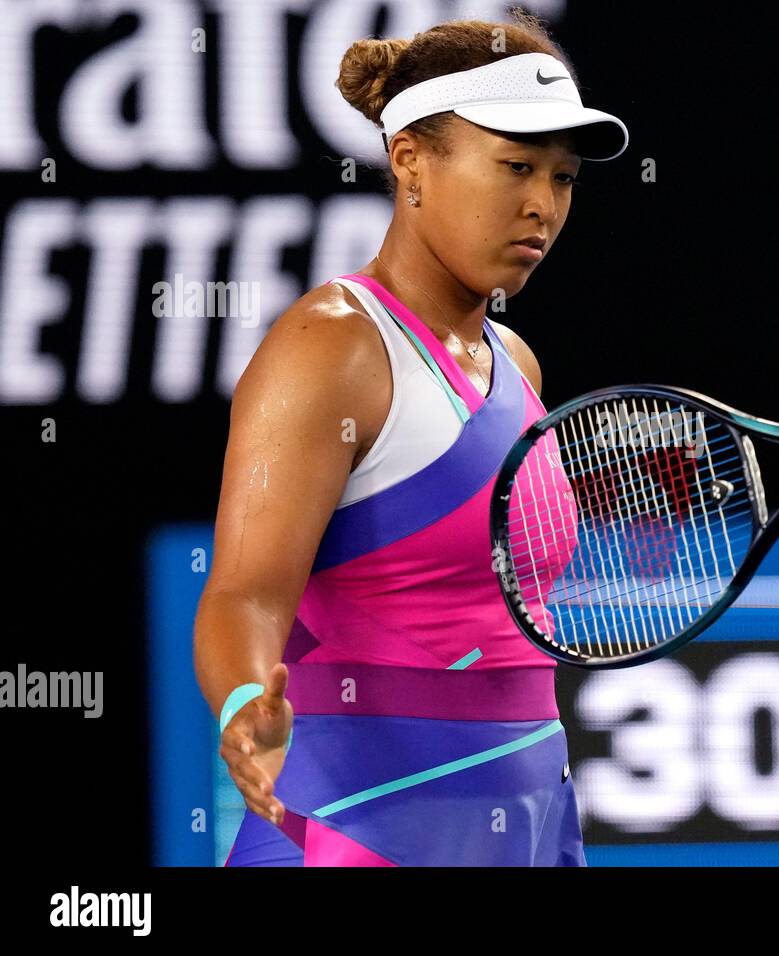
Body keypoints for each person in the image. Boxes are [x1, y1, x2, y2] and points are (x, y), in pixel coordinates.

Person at [192, 11, 628, 866]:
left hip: (534, 827)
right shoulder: (330, 347)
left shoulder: (519, 365)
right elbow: (243, 593)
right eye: (514, 167)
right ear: (410, 162)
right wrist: (247, 703)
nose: (542, 205)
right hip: (356, 835)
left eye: (563, 178)